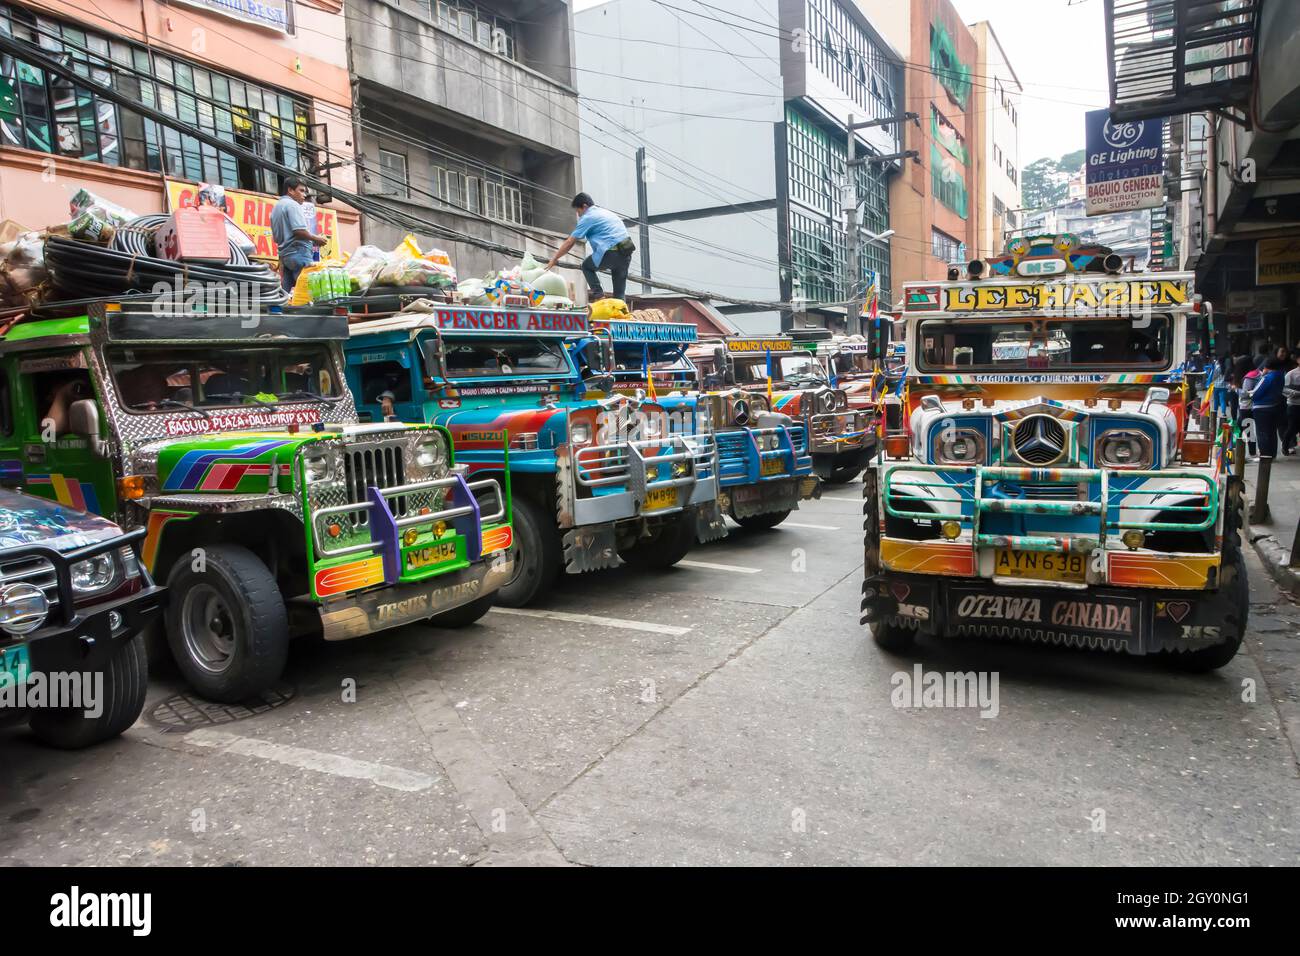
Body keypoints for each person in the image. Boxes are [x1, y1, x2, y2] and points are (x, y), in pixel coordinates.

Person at [544, 192, 635, 301]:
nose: (579, 215)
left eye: (578, 211)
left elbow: (569, 242)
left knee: (586, 266)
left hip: (610, 253)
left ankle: (599, 297)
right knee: (619, 296)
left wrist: (554, 258)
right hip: (626, 253)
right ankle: (621, 313)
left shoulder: (588, 217)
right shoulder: (606, 212)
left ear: (585, 206)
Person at [270, 177, 329, 293]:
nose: (304, 195)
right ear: (290, 190)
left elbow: (277, 237)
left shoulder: (276, 207)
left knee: (286, 296)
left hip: (285, 256)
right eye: (301, 191)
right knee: (307, 293)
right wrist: (317, 239)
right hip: (299, 253)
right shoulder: (293, 205)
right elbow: (299, 231)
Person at [1250, 356, 1286, 460]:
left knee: (1262, 432)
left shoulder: (1267, 378)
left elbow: (1256, 393)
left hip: (1262, 408)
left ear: (1267, 367)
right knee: (1272, 431)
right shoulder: (1280, 376)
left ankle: (1265, 455)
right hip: (1275, 406)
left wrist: (1250, 395)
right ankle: (1272, 454)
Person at [1283, 359, 1300, 455]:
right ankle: (1285, 445)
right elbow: (1283, 389)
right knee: (1292, 428)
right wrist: (1295, 393)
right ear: (1297, 360)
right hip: (1294, 405)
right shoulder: (1291, 374)